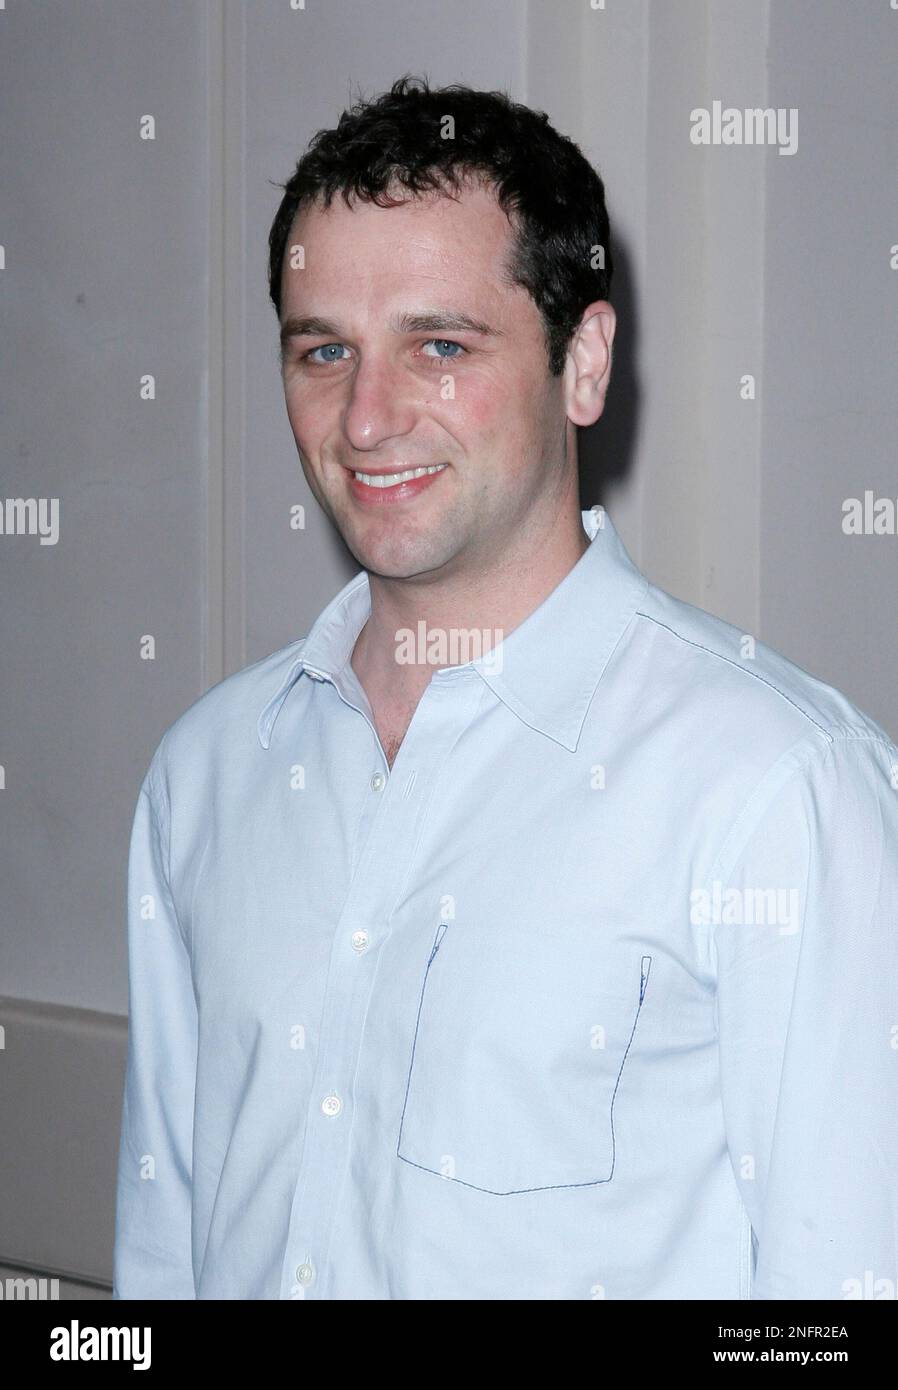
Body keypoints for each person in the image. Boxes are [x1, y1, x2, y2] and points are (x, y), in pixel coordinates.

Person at [113, 75, 898, 1300]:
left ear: (580, 364)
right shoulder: (204, 775)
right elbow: (166, 1262)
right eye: (324, 350)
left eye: (439, 345)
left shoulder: (777, 789)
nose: (366, 419)